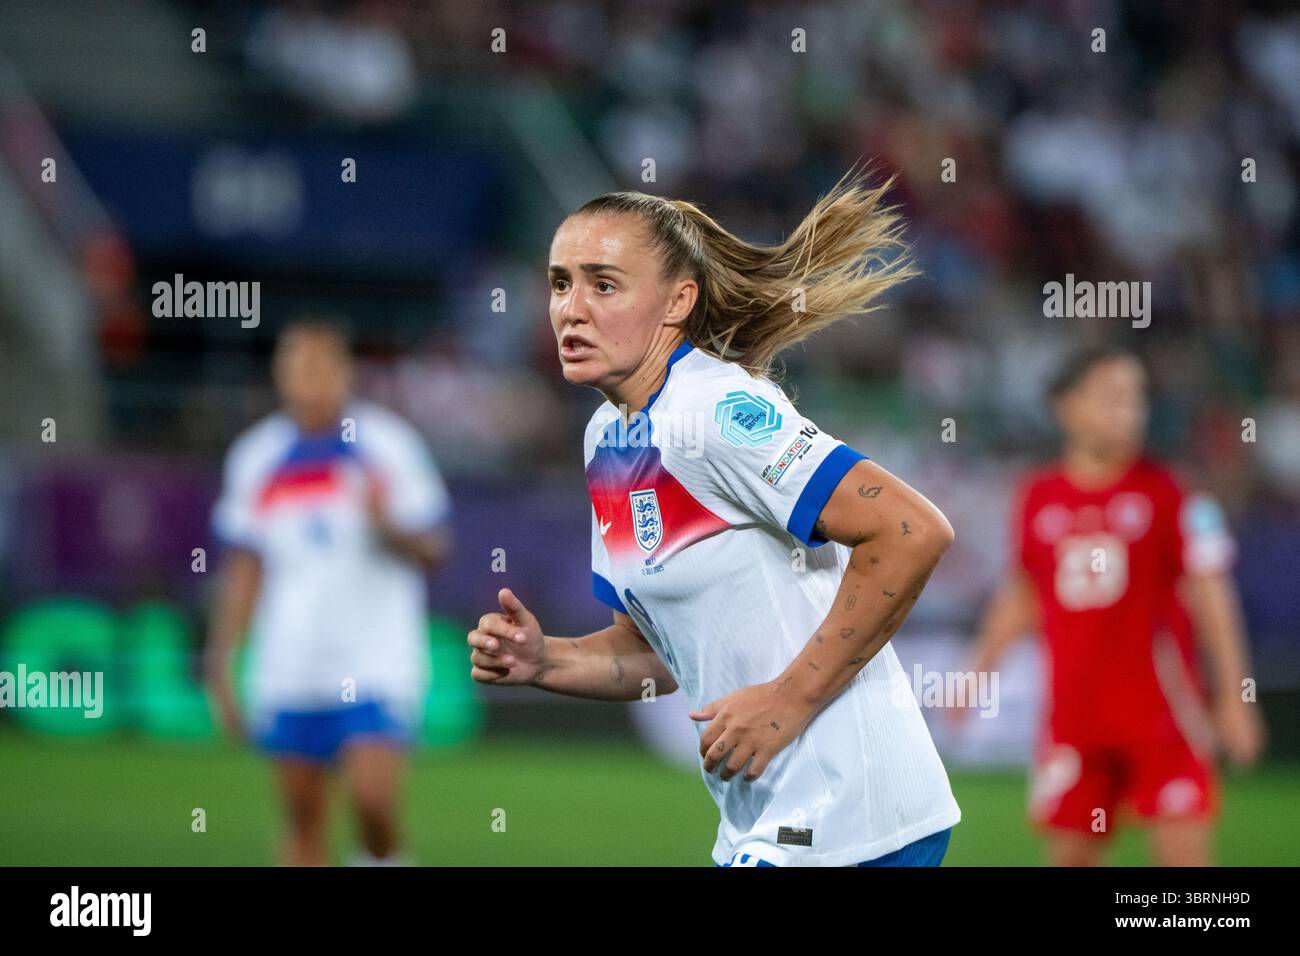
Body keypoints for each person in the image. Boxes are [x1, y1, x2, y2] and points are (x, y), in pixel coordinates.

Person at [467, 169, 962, 866]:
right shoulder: (607, 438)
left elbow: (910, 530)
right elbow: (651, 658)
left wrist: (788, 699)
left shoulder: (715, 412)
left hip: (849, 815)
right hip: (766, 822)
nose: (571, 309)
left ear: (678, 301)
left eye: (603, 284)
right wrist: (547, 658)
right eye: (559, 283)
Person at [959, 346, 1266, 866]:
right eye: (1112, 397)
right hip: (1075, 718)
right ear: (1066, 407)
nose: (1130, 412)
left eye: (1136, 398)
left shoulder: (1169, 492)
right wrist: (979, 669)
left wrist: (1236, 696)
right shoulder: (1038, 496)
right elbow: (1025, 593)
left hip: (1163, 713)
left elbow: (1212, 595)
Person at [205, 321, 453, 866]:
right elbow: (244, 569)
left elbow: (436, 549)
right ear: (280, 375)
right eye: (296, 366)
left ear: (344, 373)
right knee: (302, 817)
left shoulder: (388, 445)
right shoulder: (257, 456)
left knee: (372, 802)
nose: (308, 379)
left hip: (374, 659)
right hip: (290, 661)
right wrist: (222, 661)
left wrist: (388, 525)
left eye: (320, 366)